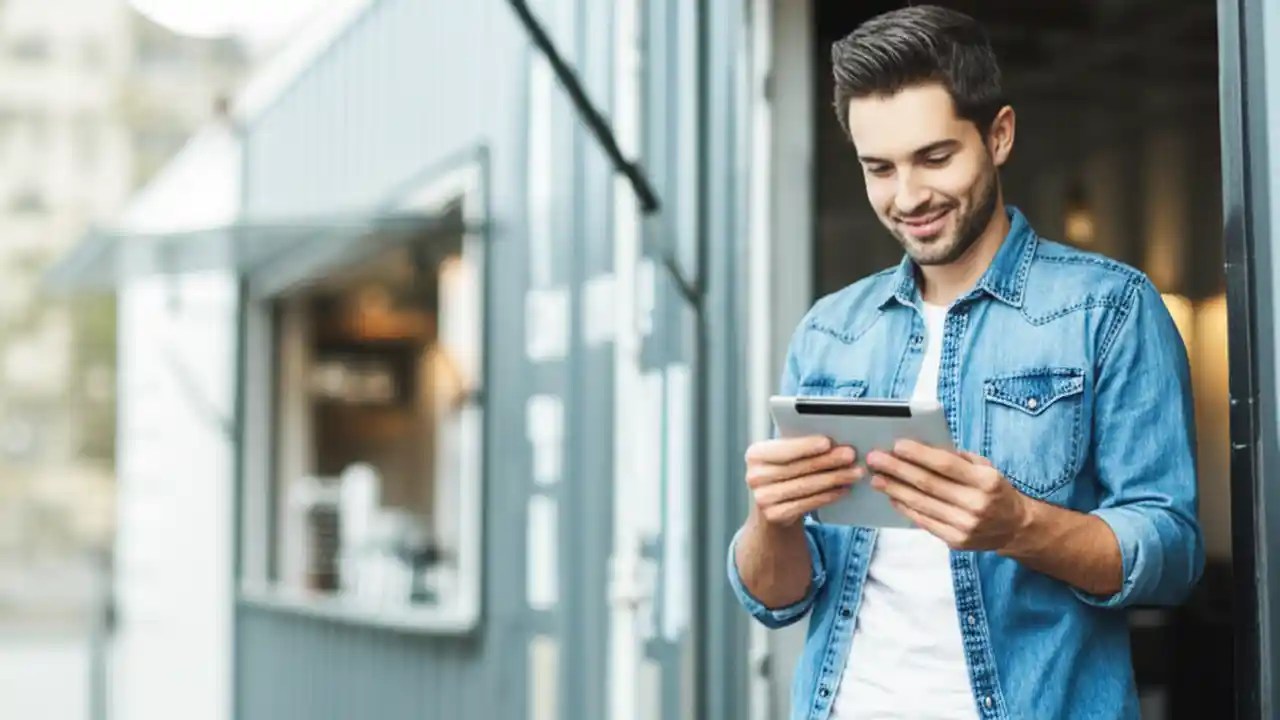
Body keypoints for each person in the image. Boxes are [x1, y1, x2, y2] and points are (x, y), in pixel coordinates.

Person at [726, 6, 1203, 719]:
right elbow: (778, 600)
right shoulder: (830, 330)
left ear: (998, 135)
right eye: (878, 168)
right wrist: (773, 522)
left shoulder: (1109, 308)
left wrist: (1018, 526)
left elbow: (1172, 551)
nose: (908, 196)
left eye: (934, 157)